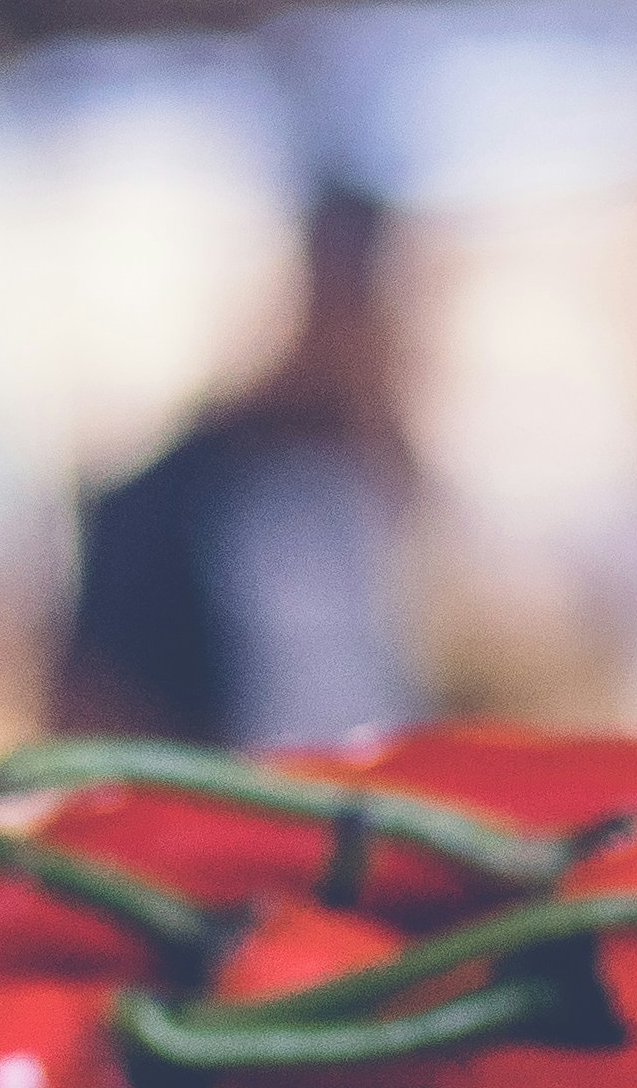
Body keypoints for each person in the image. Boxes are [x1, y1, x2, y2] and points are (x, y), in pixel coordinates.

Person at [52, 183, 420, 748]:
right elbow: (92, 704)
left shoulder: (378, 486)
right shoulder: (167, 501)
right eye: (352, 296)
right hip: (226, 819)